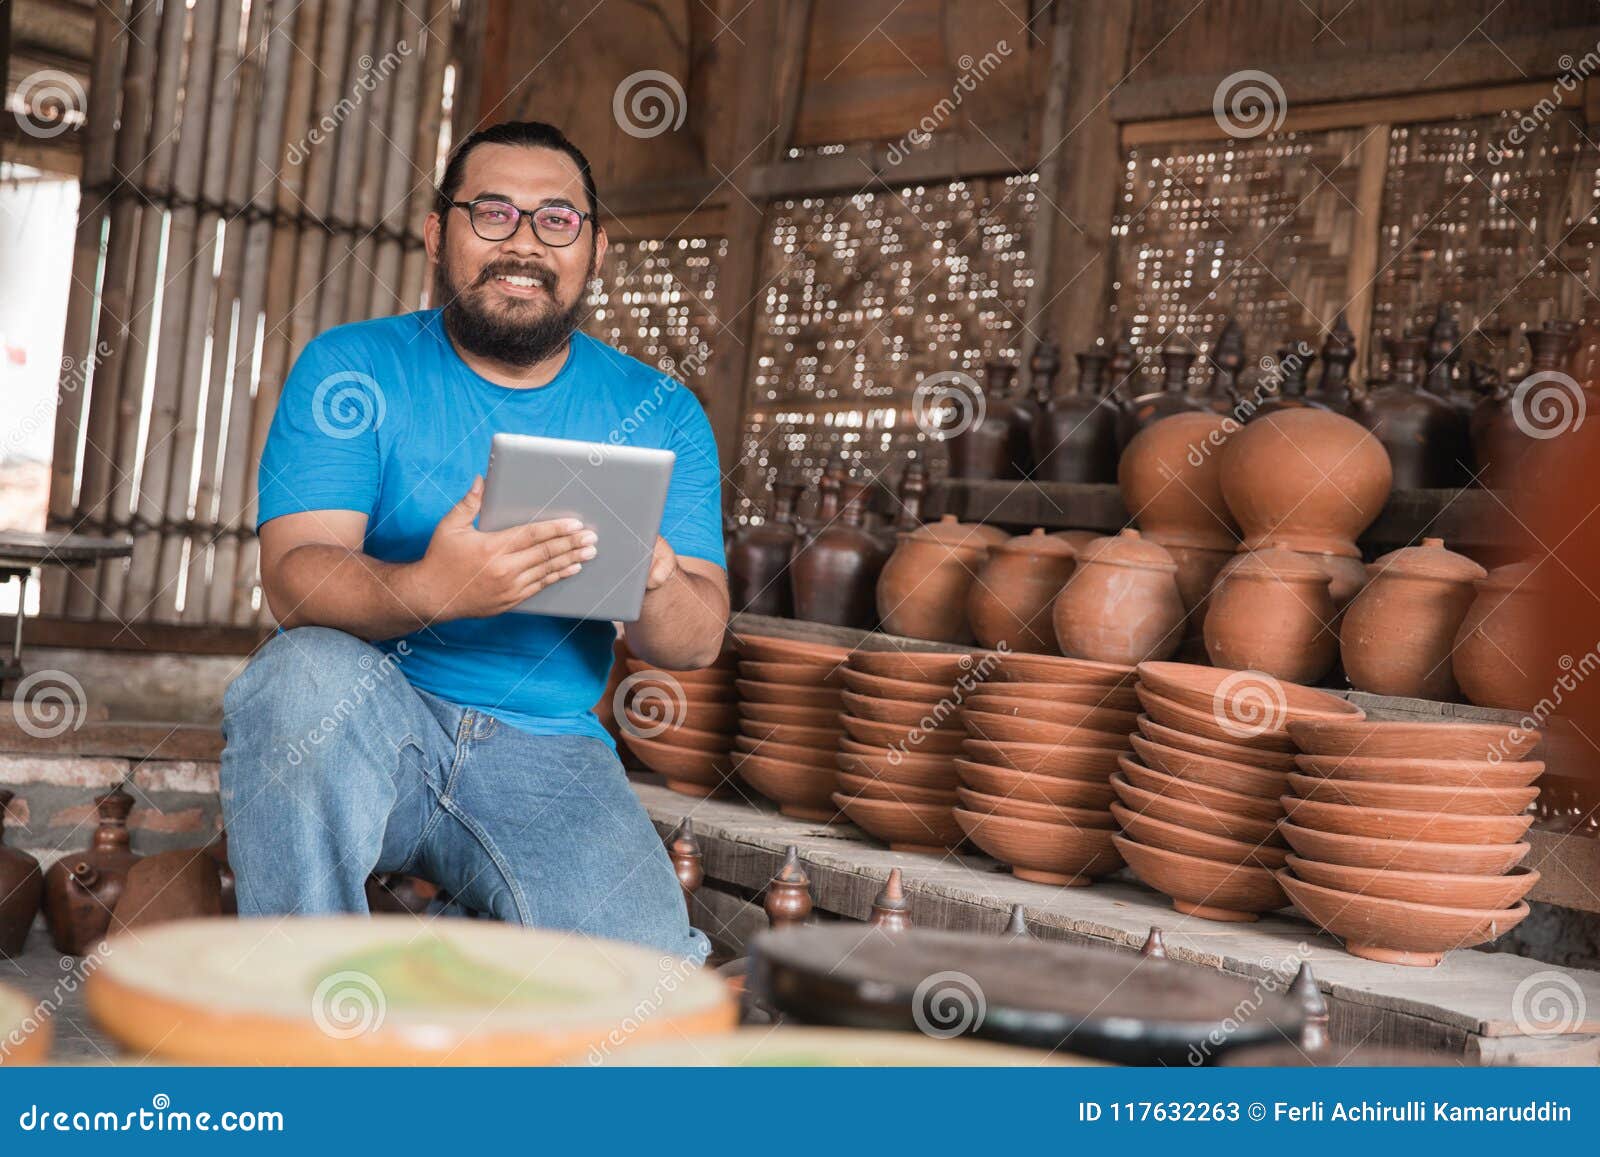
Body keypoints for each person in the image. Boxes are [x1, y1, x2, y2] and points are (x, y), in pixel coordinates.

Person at [218, 121, 728, 963]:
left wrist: (659, 580)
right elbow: (294, 580)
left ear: (595, 249)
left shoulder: (661, 411)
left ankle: (435, 973)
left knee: (642, 990)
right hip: (365, 714)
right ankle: (302, 1023)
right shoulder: (354, 368)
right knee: (298, 678)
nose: (523, 242)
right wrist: (432, 589)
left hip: (547, 745)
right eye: (492, 213)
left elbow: (697, 640)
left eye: (555, 220)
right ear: (436, 235)